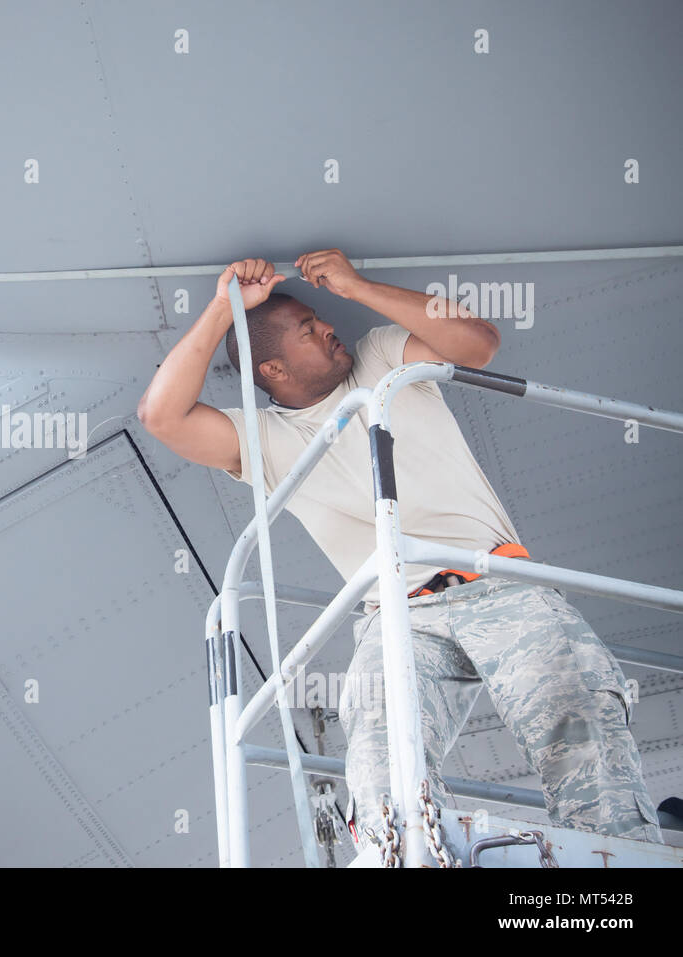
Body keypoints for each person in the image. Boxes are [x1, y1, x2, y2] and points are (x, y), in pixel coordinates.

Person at [136, 250, 663, 846]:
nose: (329, 329)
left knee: (576, 715)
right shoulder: (265, 439)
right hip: (398, 615)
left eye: (321, 321)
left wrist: (357, 287)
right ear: (274, 370)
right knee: (376, 753)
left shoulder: (381, 358)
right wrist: (222, 308)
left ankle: (612, 871)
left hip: (497, 584)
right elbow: (162, 416)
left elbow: (477, 344)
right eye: (309, 331)